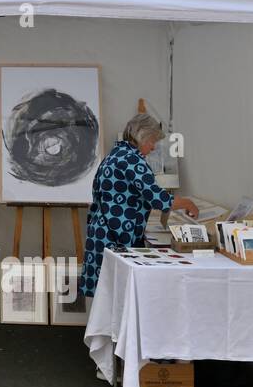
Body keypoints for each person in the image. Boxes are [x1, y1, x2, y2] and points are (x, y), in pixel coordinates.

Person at [79, 114, 198, 299]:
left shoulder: (115, 154)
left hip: (103, 233)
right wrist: (188, 203)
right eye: (152, 141)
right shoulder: (131, 159)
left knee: (106, 299)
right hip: (117, 238)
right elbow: (158, 199)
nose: (153, 147)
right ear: (142, 136)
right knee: (117, 297)